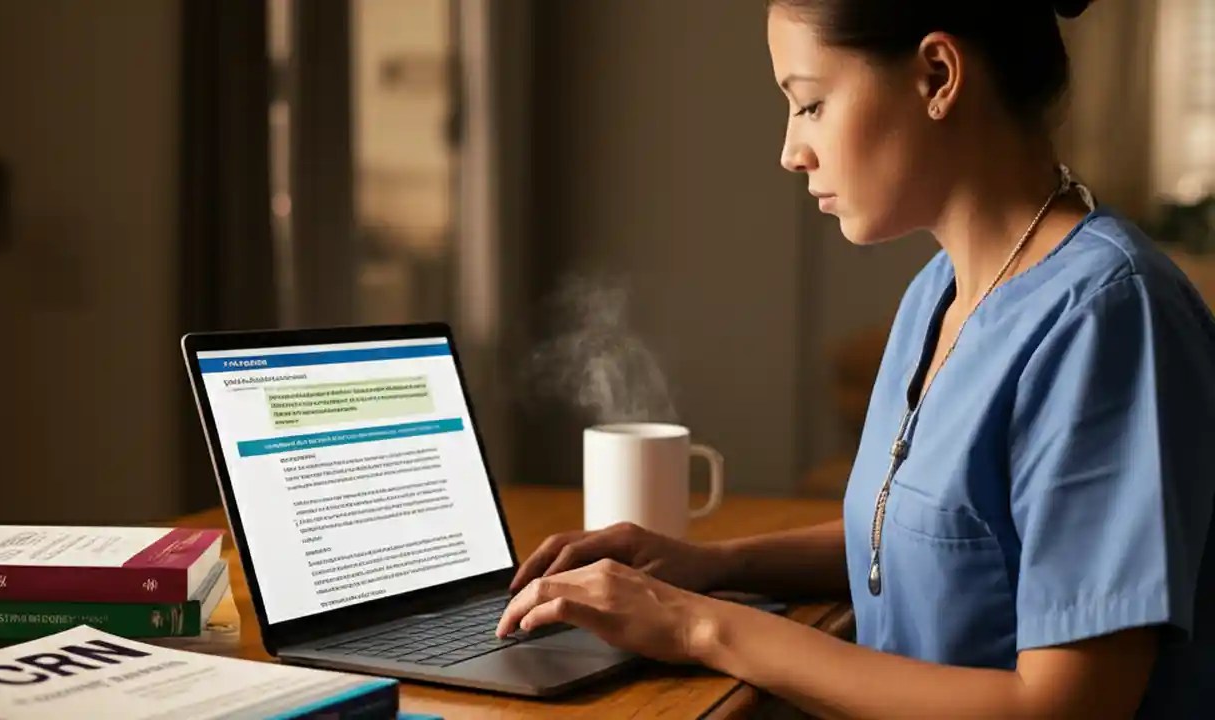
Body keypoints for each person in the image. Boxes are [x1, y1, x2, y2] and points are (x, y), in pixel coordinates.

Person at [495, 0, 1215, 717]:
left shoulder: (1108, 318)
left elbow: (1069, 707)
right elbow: (929, 533)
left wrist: (696, 625)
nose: (790, 150)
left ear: (937, 75)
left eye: (809, 103)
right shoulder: (940, 291)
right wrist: (709, 566)